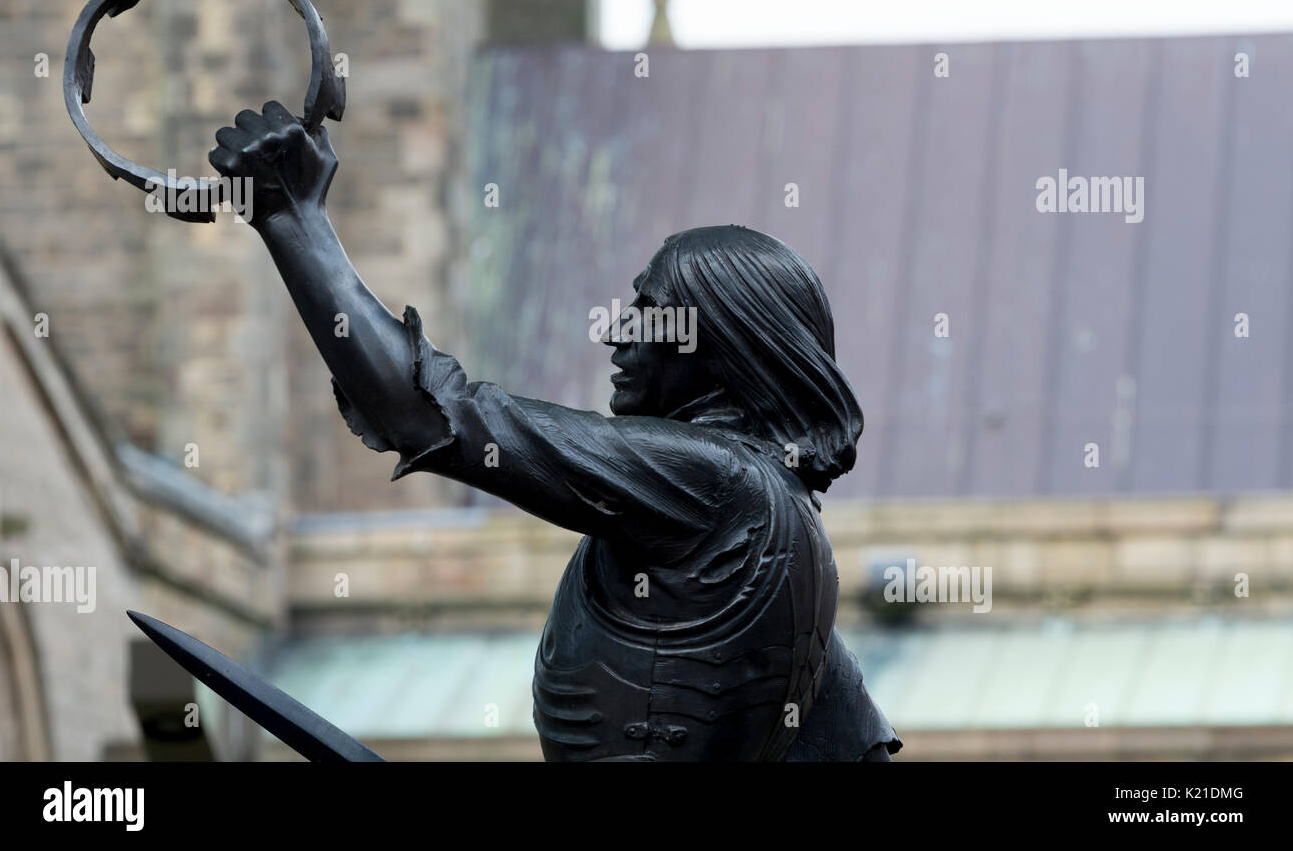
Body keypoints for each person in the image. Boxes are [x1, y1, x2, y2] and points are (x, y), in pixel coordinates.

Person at [208, 101, 902, 761]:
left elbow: (421, 412)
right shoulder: (783, 522)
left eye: (651, 313)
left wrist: (291, 214)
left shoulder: (719, 484)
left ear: (726, 345)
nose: (619, 334)